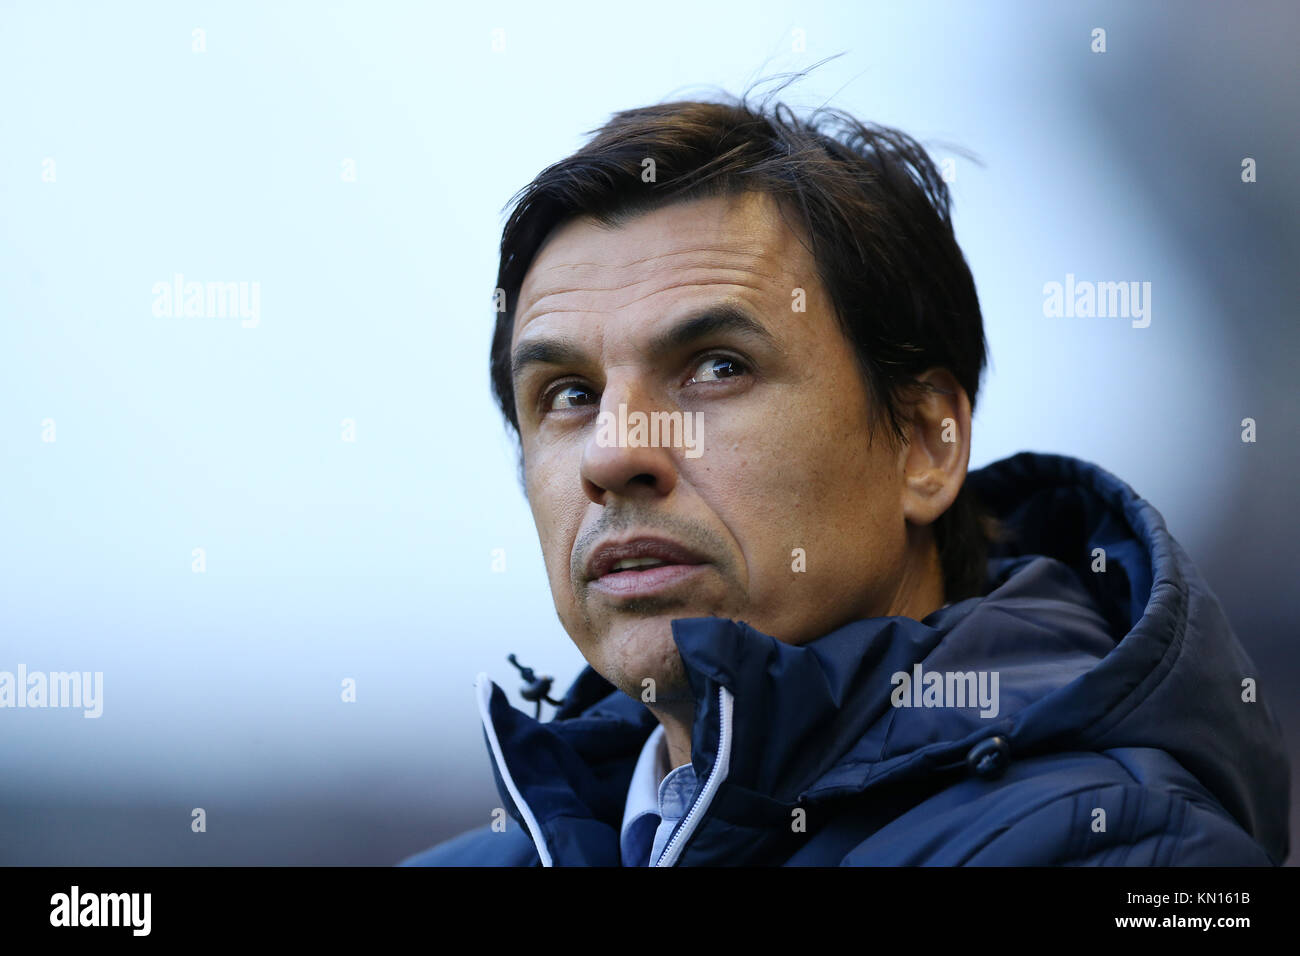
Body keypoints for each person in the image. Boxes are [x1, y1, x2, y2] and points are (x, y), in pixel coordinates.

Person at [400, 93, 1289, 866]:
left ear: (927, 445)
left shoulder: (1126, 848)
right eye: (568, 394)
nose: (612, 453)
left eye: (716, 367)